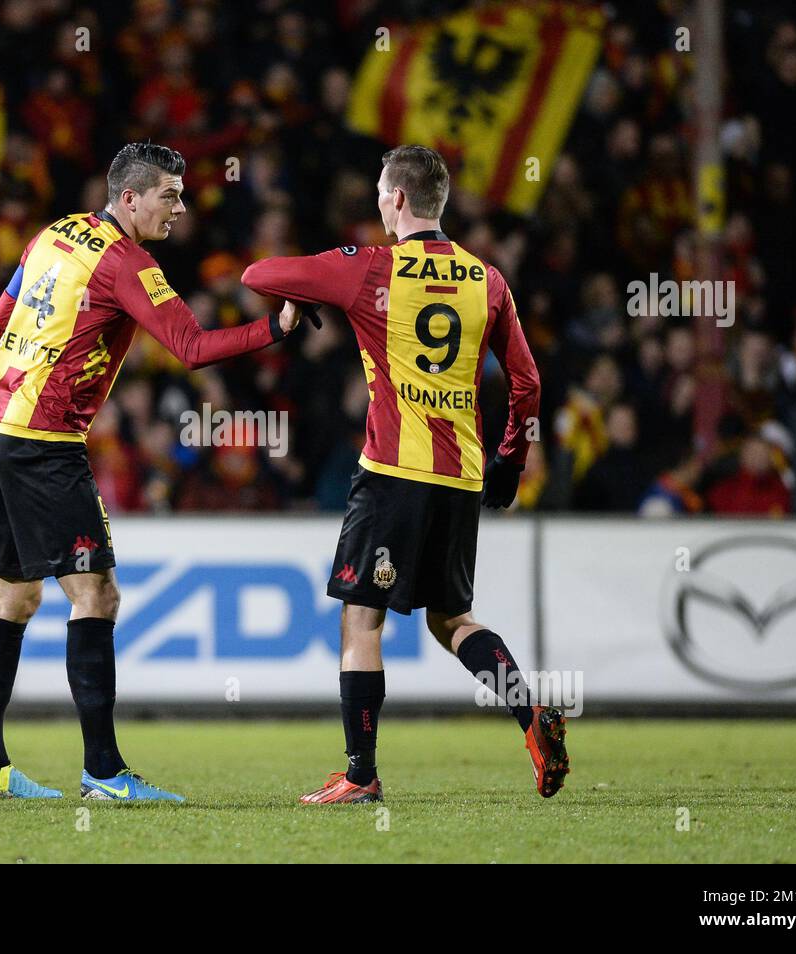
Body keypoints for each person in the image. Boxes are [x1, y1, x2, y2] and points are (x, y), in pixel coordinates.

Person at [0, 143, 303, 801]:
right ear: (130, 198)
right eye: (169, 196)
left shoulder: (54, 233)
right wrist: (277, 327)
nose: (179, 208)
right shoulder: (127, 263)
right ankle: (104, 774)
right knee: (97, 597)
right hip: (44, 441)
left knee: (14, 597)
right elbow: (193, 348)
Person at [243, 145, 569, 802]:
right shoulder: (488, 280)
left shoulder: (369, 269)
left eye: (380, 195)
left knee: (361, 620)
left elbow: (257, 271)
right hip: (460, 475)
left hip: (392, 472)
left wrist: (296, 296)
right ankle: (529, 712)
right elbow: (528, 382)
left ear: (395, 200)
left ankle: (361, 774)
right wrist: (510, 461)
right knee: (453, 620)